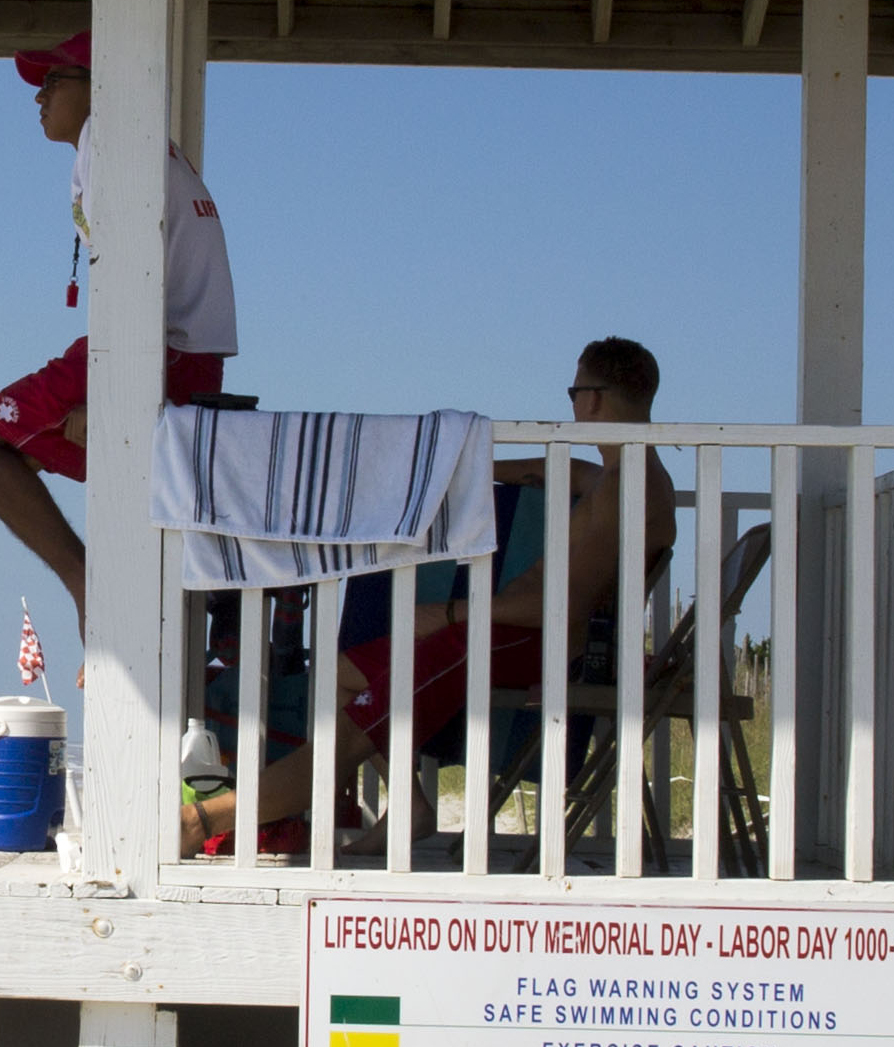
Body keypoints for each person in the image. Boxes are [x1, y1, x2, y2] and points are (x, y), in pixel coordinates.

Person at [199, 339, 678, 847]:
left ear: (594, 399)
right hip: (509, 633)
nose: (572, 403)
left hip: (528, 644)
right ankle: (408, 806)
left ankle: (205, 821)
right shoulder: (619, 476)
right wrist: (435, 470)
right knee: (340, 674)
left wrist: (450, 613)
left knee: (355, 729)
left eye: (573, 391)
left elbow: (562, 608)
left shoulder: (629, 487)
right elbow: (538, 471)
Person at [0, 29, 236, 602]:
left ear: (102, 87)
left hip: (150, 351)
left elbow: (134, 281)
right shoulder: (139, 147)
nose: (38, 96)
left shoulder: (114, 143)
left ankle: (85, 586)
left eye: (52, 79)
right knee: (17, 452)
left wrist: (110, 391)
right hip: (182, 358)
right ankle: (111, 614)